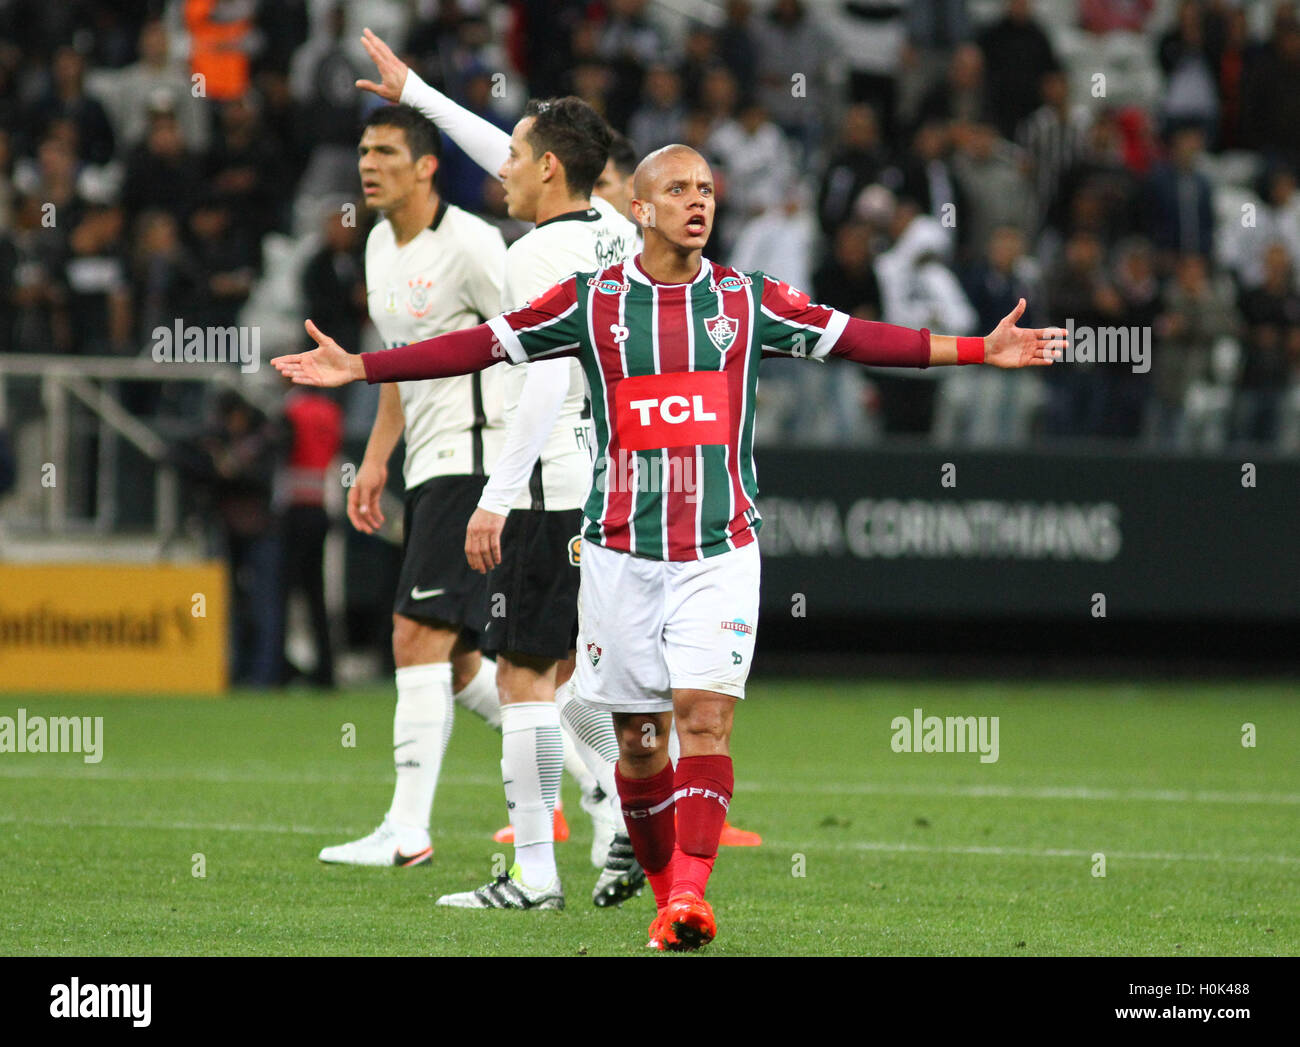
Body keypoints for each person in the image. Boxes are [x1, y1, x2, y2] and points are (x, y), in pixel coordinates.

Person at [272, 144, 1064, 950]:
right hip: (620, 554)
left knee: (705, 719)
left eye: (707, 189)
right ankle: (665, 897)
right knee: (640, 742)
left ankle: (689, 894)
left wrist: (979, 349)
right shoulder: (593, 302)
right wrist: (364, 366)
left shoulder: (746, 300)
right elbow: (481, 344)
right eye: (679, 189)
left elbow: (858, 338)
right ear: (640, 209)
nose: (698, 201)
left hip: (719, 549)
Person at [358, 29, 645, 907]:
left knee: (523, 678)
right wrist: (420, 94)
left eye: (517, 158)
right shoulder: (616, 232)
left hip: (545, 485)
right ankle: (623, 819)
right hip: (604, 483)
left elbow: (545, 379)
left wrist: (497, 496)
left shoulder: (530, 258)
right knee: (571, 677)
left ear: (550, 169)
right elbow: (517, 154)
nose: (500, 169)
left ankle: (534, 872)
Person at [314, 103, 510, 868]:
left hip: (476, 457)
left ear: (427, 166)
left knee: (414, 634)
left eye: (387, 152)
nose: (369, 164)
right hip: (427, 462)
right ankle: (603, 785)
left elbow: (533, 341)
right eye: (365, 150)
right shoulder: (376, 246)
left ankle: (407, 829)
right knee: (459, 663)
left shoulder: (472, 243)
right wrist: (376, 459)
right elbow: (395, 366)